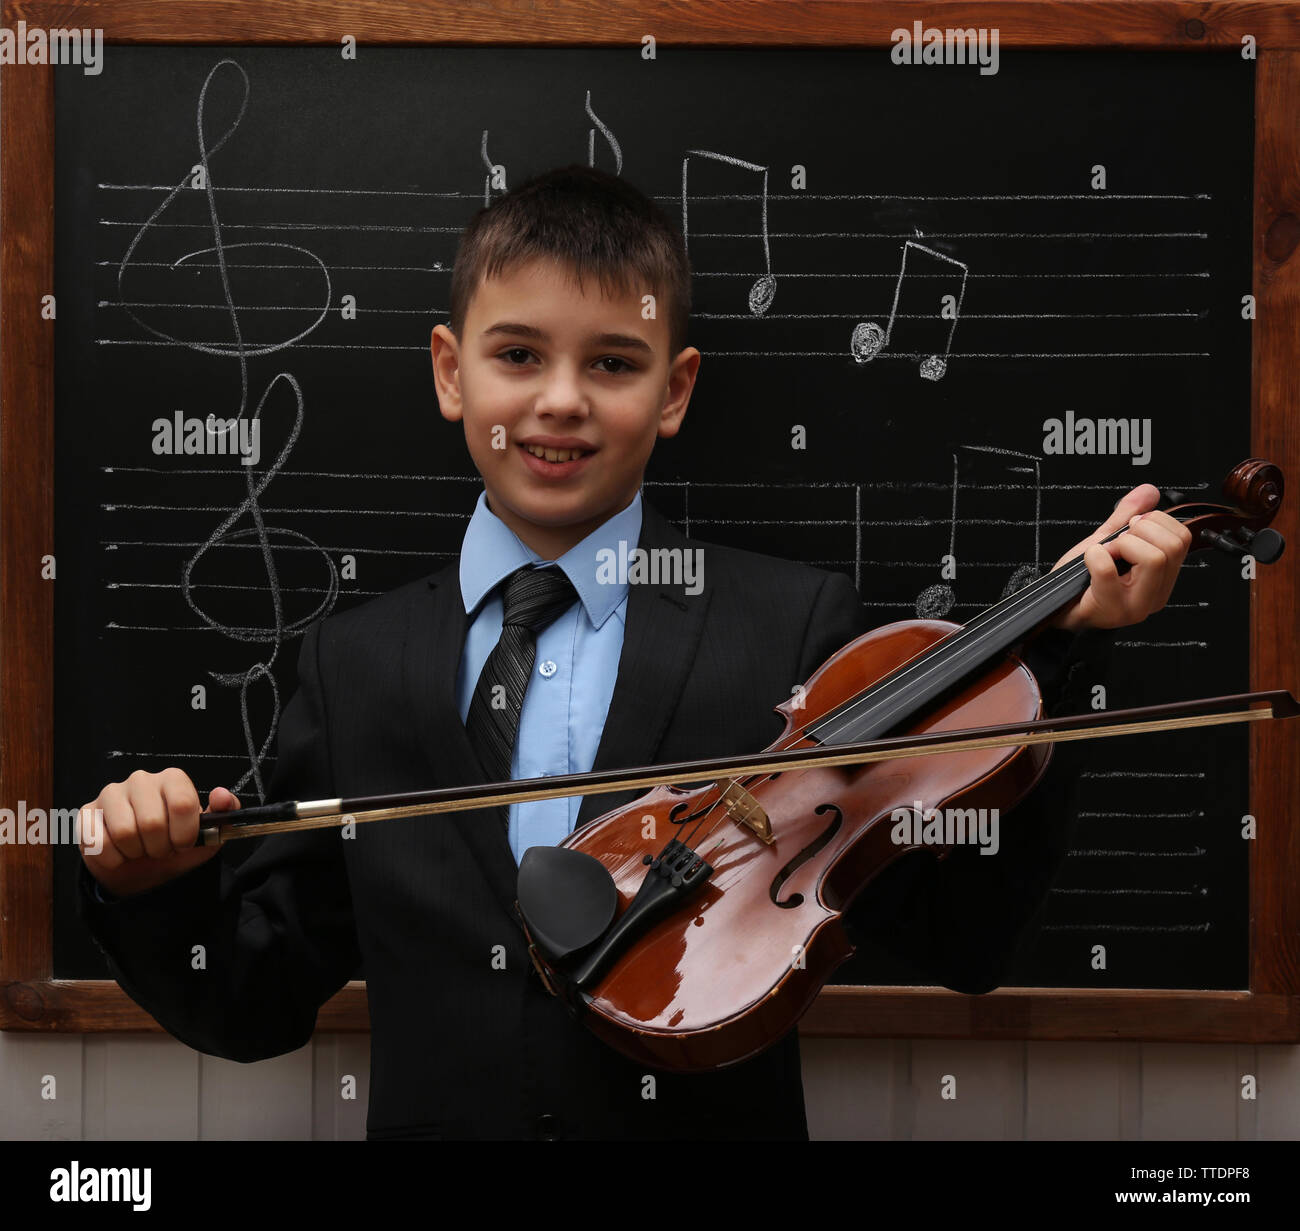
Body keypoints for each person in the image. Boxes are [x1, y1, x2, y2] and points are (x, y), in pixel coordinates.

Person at [77, 164, 1191, 1140]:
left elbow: (963, 942)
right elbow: (252, 1005)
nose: (560, 401)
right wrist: (152, 895)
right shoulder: (353, 664)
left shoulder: (792, 627)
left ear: (675, 389)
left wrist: (1067, 652)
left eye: (613, 362)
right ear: (450, 371)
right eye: (517, 354)